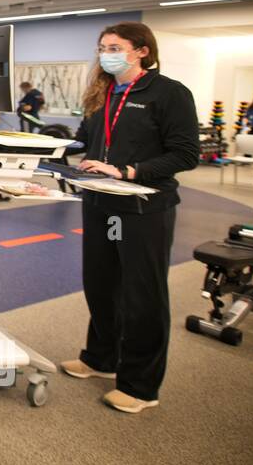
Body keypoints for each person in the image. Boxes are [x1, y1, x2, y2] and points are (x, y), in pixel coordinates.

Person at [63, 22, 198, 414]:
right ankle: (101, 359)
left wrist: (128, 170)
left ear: (141, 51)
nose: (106, 53)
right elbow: (84, 141)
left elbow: (186, 154)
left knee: (143, 294)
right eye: (102, 47)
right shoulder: (103, 94)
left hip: (143, 208)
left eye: (115, 46)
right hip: (101, 203)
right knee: (101, 285)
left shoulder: (168, 94)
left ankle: (140, 385)